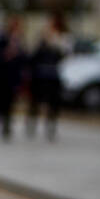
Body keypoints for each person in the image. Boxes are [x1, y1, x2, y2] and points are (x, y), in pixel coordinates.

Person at [26, 13, 70, 141]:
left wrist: (55, 42)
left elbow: (64, 55)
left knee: (53, 103)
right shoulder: (42, 37)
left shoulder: (63, 38)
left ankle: (50, 126)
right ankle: (31, 122)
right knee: (35, 101)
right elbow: (34, 55)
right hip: (39, 75)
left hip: (54, 75)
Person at [0, 18, 26, 139]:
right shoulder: (2, 40)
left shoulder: (19, 42)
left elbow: (24, 58)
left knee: (9, 103)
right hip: (0, 77)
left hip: (12, 78)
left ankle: (6, 127)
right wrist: (6, 54)